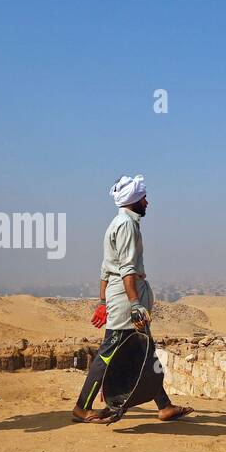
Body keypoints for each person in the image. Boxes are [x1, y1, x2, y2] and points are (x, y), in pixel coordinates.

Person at [72, 174, 193, 425]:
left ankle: (164, 405)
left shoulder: (119, 223)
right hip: (127, 300)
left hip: (121, 297)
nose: (147, 203)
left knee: (145, 352)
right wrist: (135, 304)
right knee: (109, 351)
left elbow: (105, 268)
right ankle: (82, 407)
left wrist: (103, 301)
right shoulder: (126, 225)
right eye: (144, 198)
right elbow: (126, 269)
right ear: (135, 200)